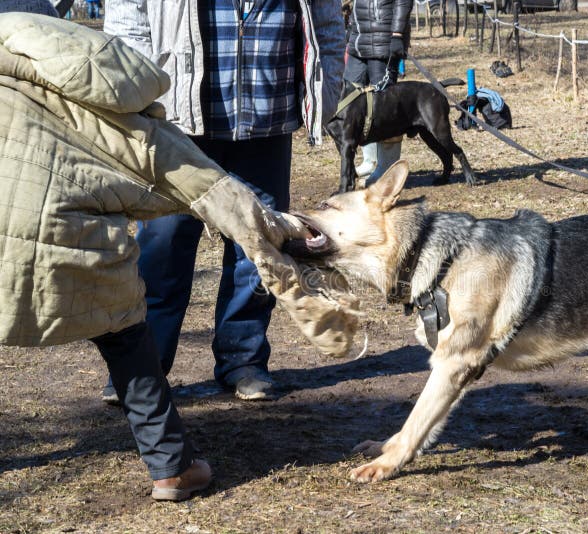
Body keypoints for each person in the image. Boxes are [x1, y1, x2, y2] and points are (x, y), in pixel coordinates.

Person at [0, 11, 355, 500]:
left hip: (263, 112)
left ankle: (241, 362)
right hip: (86, 238)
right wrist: (288, 230)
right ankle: (170, 467)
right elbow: (224, 200)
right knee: (124, 330)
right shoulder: (118, 120)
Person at [101, 0, 345, 403]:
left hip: (268, 119)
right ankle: (141, 369)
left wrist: (327, 89)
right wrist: (138, 98)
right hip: (177, 122)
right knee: (162, 250)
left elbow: (328, 24)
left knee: (260, 250)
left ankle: (244, 361)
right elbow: (128, 23)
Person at [344, 0, 413, 183]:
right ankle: (370, 160)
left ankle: (387, 168)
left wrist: (397, 35)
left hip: (384, 43)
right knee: (353, 104)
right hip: (357, 43)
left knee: (386, 108)